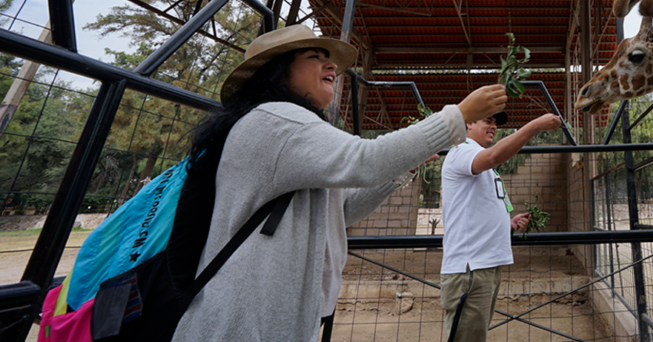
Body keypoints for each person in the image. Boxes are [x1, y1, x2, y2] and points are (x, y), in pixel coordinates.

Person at [171, 24, 507, 342]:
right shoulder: (276, 119)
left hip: (274, 313)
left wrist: (403, 168)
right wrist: (456, 116)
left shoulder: (294, 130)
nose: (331, 63)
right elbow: (365, 160)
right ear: (276, 70)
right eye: (314, 57)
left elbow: (342, 211)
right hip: (245, 317)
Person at [440, 110, 562, 342]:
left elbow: (477, 207)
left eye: (496, 123)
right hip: (470, 269)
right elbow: (494, 156)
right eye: (488, 121)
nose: (494, 126)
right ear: (468, 123)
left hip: (485, 266)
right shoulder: (462, 151)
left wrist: (508, 225)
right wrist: (534, 125)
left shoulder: (477, 158)